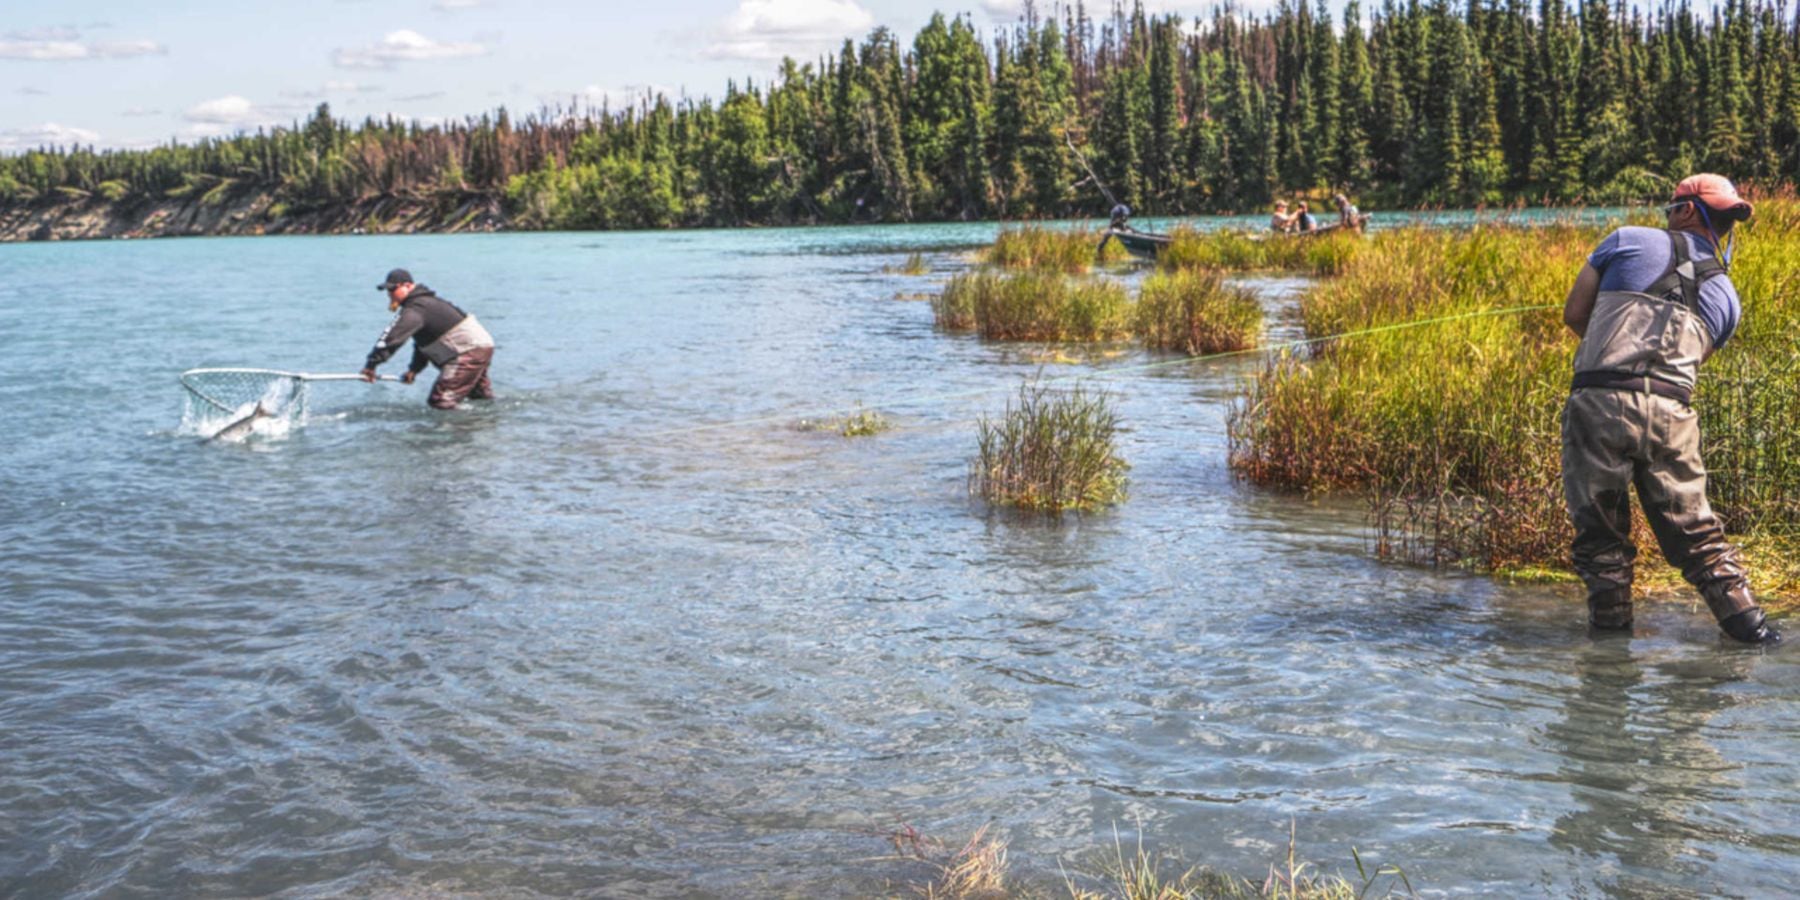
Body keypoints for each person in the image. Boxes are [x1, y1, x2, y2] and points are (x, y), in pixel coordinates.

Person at [1560, 173, 1777, 643]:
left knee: (1603, 545)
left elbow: (1575, 315)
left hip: (1600, 402)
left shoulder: (1626, 240)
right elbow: (1689, 365)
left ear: (1685, 210)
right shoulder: (1728, 298)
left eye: (1671, 208)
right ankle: (1755, 633)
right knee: (1700, 540)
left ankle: (1610, 656)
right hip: (1673, 415)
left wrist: (1613, 352)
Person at [361, 267, 496, 410]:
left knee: (441, 401)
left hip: (467, 352)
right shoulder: (424, 305)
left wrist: (371, 365)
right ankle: (488, 421)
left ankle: (460, 424)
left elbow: (392, 339)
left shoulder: (416, 308)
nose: (390, 294)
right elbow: (424, 343)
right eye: (387, 290)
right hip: (479, 348)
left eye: (392, 289)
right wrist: (414, 370)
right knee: (478, 396)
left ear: (408, 286)